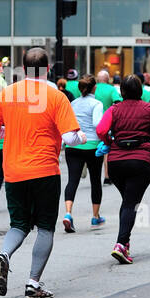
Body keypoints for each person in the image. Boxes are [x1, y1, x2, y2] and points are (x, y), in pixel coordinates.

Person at [0, 46, 83, 298]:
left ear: (24, 69)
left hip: (14, 172)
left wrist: (10, 131)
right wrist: (81, 136)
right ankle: (33, 283)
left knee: (18, 224)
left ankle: (4, 255)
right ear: (48, 69)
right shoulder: (56, 96)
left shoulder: (8, 94)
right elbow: (70, 137)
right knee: (46, 228)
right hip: (45, 171)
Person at [96, 74, 150, 263]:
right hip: (140, 161)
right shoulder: (149, 108)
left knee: (127, 202)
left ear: (123, 91)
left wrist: (109, 141)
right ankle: (120, 244)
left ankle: (124, 244)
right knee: (130, 203)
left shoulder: (114, 109)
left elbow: (101, 130)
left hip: (116, 163)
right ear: (140, 90)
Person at [61, 74, 105, 232]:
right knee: (95, 181)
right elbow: (97, 124)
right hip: (92, 145)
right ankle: (95, 216)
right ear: (94, 88)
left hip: (73, 145)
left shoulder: (73, 103)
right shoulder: (97, 104)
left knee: (72, 180)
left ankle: (67, 213)